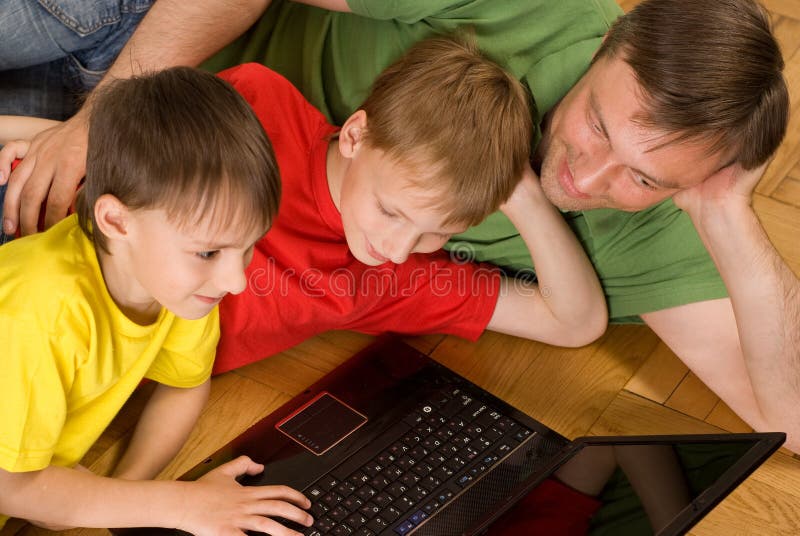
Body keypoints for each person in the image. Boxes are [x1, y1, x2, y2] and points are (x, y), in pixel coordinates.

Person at [0, 0, 798, 452]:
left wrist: (724, 211)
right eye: (596, 123)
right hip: (134, 41)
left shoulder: (391, 275)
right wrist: (100, 120)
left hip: (92, 217)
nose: (585, 177)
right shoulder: (270, 119)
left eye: (646, 178)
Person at [0, 67, 315, 535]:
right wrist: (180, 505)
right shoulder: (36, 314)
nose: (236, 281)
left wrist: (128, 493)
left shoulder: (176, 282)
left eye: (246, 247)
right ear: (117, 221)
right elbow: (12, 487)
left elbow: (186, 384)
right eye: (209, 252)